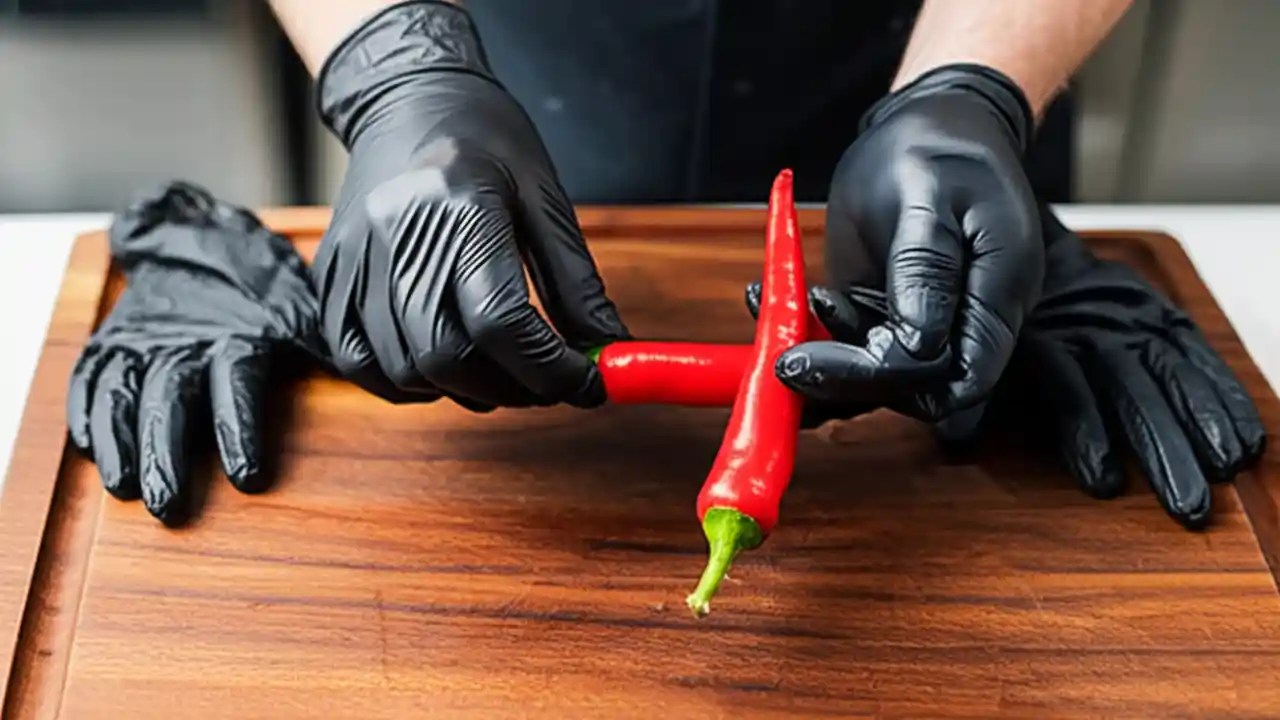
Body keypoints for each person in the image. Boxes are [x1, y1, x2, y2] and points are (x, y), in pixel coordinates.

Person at [69, 0, 1264, 528]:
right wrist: (393, 63)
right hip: (521, 73)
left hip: (944, 53)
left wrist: (976, 90)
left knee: (957, 273)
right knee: (472, 284)